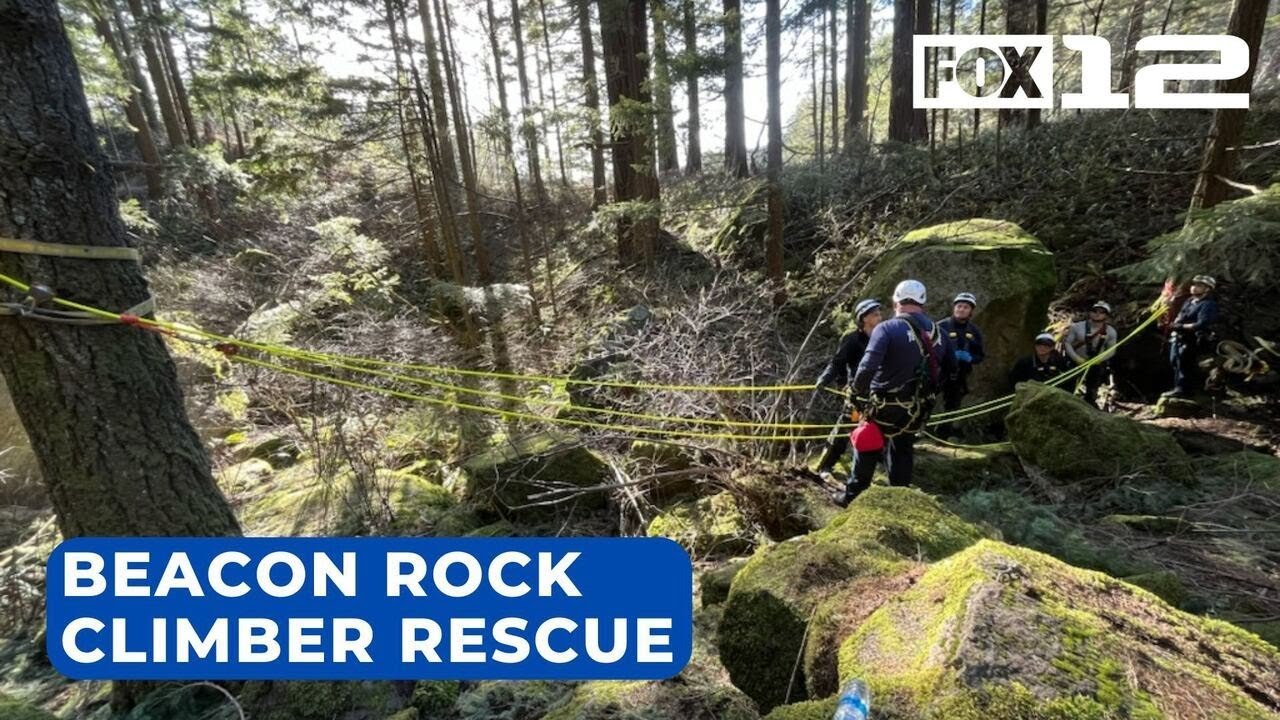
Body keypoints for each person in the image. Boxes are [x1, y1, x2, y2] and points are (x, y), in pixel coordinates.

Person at [837, 279, 953, 507]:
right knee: (903, 447)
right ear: (923, 302)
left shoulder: (887, 328)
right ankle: (900, 497)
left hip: (884, 403)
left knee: (868, 442)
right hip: (918, 405)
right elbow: (951, 369)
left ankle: (853, 497)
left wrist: (856, 392)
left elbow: (868, 365)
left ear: (895, 300)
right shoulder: (940, 332)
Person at [814, 299, 884, 479]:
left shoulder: (884, 337)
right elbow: (838, 362)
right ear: (864, 318)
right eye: (874, 314)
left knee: (878, 429)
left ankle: (875, 466)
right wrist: (824, 379)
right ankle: (826, 465)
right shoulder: (852, 339)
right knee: (845, 428)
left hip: (878, 393)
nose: (879, 317)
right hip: (857, 393)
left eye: (878, 313)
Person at [936, 292, 985, 435]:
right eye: (959, 306)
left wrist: (970, 358)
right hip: (939, 372)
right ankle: (919, 430)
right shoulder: (941, 326)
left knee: (952, 405)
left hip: (959, 375)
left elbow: (980, 355)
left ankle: (943, 434)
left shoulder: (974, 331)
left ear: (971, 311)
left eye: (965, 307)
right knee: (927, 399)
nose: (961, 309)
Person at [1166, 275, 1219, 397]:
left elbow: (1202, 323)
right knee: (1175, 362)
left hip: (1193, 339)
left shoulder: (1208, 305)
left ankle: (1184, 391)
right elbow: (1181, 315)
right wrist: (1174, 324)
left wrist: (1181, 327)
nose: (1194, 288)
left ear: (1207, 289)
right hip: (1179, 337)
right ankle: (1177, 387)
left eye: (1199, 286)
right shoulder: (1189, 301)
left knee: (1185, 364)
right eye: (1194, 285)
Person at [1064, 301, 1118, 407]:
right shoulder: (1077, 327)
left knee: (1092, 388)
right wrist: (1076, 358)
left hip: (1096, 364)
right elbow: (1067, 343)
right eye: (1095, 311)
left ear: (1106, 315)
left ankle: (1090, 404)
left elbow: (1112, 350)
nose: (1097, 314)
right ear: (1090, 312)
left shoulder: (1110, 332)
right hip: (1076, 361)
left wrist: (1099, 360)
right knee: (1069, 385)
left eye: (1102, 312)